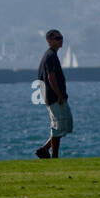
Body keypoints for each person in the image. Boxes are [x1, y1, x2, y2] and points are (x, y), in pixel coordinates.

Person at [35, 29, 72, 159]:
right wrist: (59, 95)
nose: (60, 40)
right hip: (54, 97)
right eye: (57, 38)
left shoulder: (52, 55)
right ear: (49, 41)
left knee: (64, 126)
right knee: (58, 126)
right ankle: (54, 156)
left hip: (54, 97)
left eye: (61, 37)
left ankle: (45, 150)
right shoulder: (50, 56)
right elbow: (51, 77)